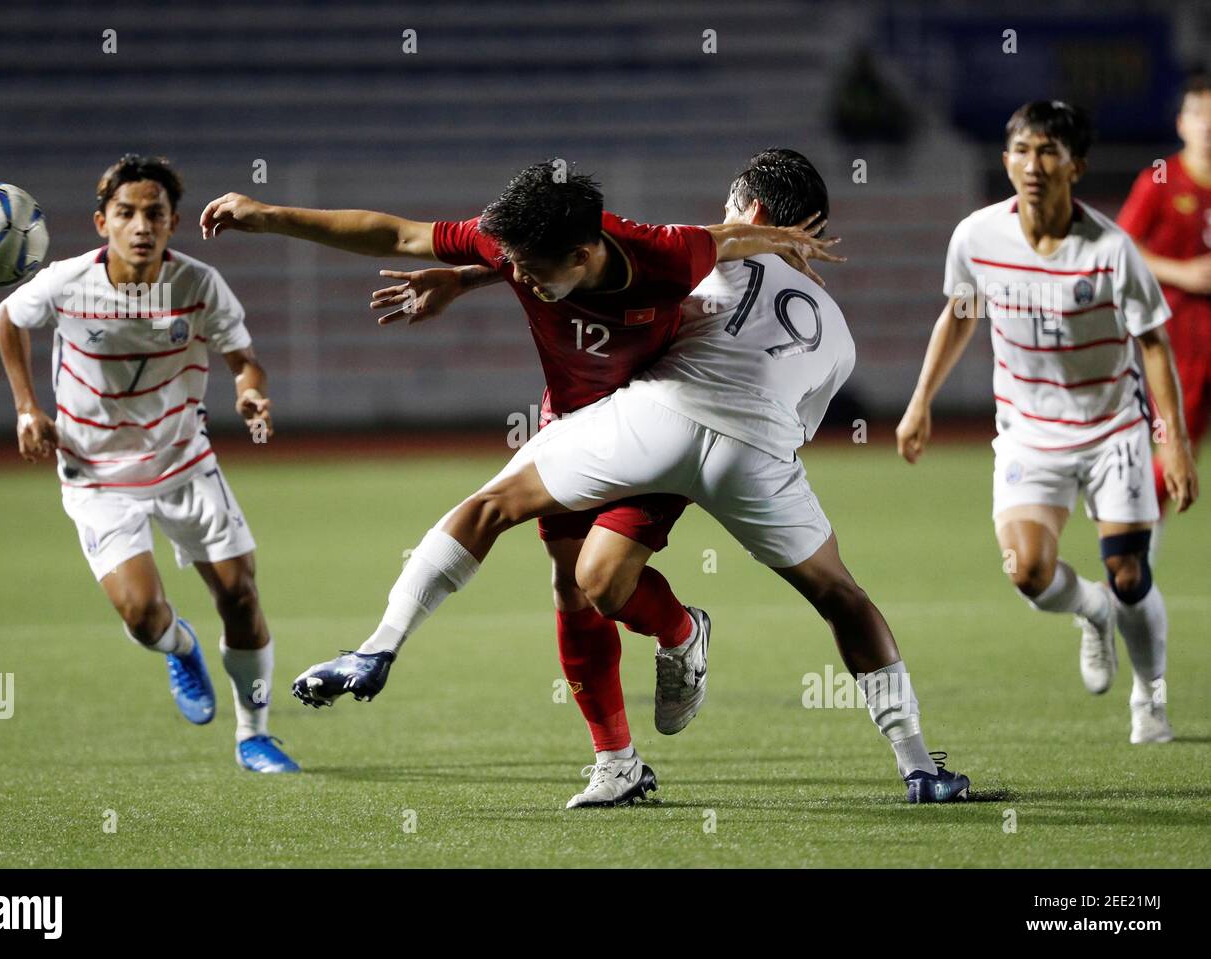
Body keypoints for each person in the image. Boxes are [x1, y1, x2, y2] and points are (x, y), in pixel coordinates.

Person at [290, 149, 971, 805]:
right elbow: (801, 421)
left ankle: (380, 646)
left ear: (751, 210)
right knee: (836, 595)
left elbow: (618, 265)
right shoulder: (838, 332)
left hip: (655, 417)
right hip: (755, 454)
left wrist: (471, 278)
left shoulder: (694, 260)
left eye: (729, 209)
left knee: (494, 505)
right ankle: (919, 767)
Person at [895, 102, 1199, 745]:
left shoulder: (1111, 250)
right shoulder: (977, 237)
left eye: (1049, 152)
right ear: (1006, 160)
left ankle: (1150, 697)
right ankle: (1090, 611)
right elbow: (959, 314)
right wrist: (921, 399)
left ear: (1076, 167)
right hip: (1030, 433)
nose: (1034, 166)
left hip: (1112, 428)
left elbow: (1153, 346)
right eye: (1023, 151)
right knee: (1027, 571)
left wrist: (1172, 445)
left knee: (1130, 573)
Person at [0, 154, 299, 772]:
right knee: (142, 616)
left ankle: (254, 736)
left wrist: (249, 389)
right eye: (126, 213)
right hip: (97, 476)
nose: (141, 226)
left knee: (240, 595)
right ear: (102, 222)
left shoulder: (198, 284)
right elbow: (8, 316)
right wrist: (28, 409)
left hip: (185, 463)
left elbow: (244, 359)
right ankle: (179, 647)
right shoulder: (66, 282)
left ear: (172, 222)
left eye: (154, 214)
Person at [1116, 72, 1211, 558]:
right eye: (1200, 114)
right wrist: (1183, 272)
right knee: (1175, 451)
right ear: (1182, 122)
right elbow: (1122, 243)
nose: (1209, 125)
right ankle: (1130, 551)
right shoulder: (1160, 179)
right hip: (1182, 339)